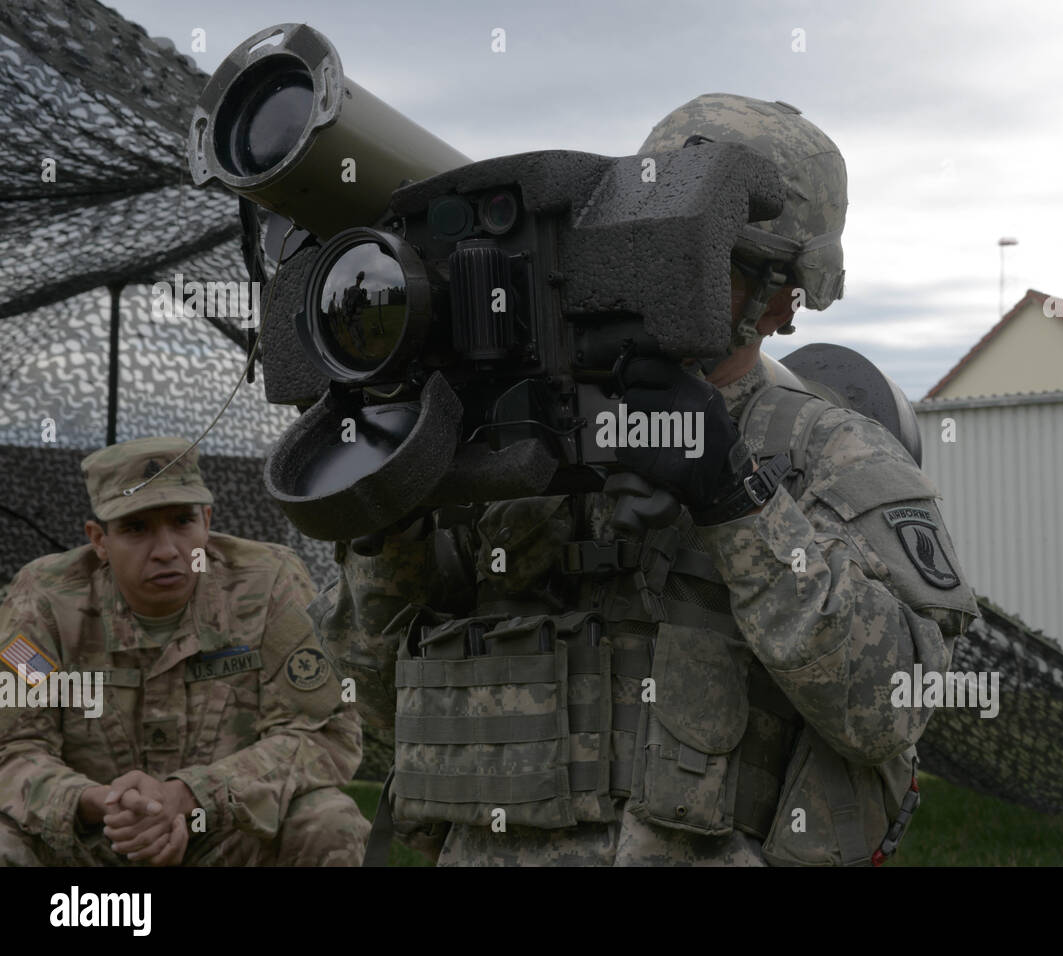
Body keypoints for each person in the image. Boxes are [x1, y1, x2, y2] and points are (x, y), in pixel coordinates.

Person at [312, 94, 980, 866]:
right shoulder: (506, 441)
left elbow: (891, 708)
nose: (660, 273)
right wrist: (386, 513)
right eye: (645, 241)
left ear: (784, 301)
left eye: (710, 259)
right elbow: (378, 700)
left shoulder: (828, 450)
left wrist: (736, 500)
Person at [0, 436, 368, 865]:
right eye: (136, 527)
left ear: (206, 522)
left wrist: (191, 796)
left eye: (182, 521)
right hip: (93, 837)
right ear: (99, 539)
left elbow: (324, 734)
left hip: (225, 834)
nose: (166, 550)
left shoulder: (268, 583)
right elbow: (13, 747)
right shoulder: (44, 599)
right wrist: (98, 803)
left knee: (329, 821)